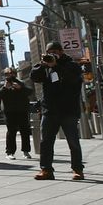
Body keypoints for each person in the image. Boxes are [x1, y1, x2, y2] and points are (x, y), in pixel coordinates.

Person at [31, 41, 84, 181]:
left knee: (73, 141)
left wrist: (56, 65)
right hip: (50, 110)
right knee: (46, 142)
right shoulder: (46, 65)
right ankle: (46, 170)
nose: (52, 54)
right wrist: (42, 65)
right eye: (49, 52)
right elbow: (34, 77)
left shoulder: (71, 65)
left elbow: (73, 78)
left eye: (55, 51)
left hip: (68, 110)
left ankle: (77, 169)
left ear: (61, 52)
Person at [0, 68, 33, 161]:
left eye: (11, 73)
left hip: (22, 110)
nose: (9, 75)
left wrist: (20, 88)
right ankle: (10, 152)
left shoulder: (21, 83)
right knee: (11, 132)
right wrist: (5, 88)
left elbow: (30, 91)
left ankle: (26, 151)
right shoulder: (2, 84)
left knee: (25, 131)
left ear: (15, 74)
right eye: (7, 74)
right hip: (9, 112)